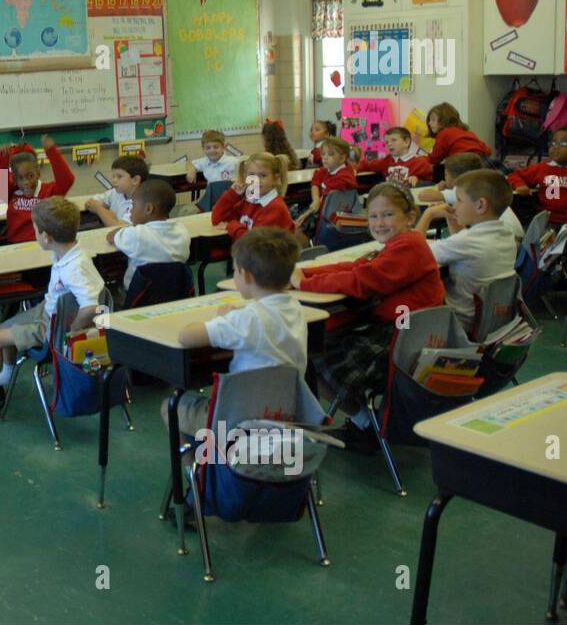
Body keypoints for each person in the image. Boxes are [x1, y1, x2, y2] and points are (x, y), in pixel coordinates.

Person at [294, 181, 445, 450]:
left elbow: (363, 281)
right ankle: (367, 422)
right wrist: (305, 272)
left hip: (398, 345)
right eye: (373, 216)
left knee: (310, 355)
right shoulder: (403, 243)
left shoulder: (408, 246)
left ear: (410, 217)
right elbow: (357, 266)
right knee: (323, 340)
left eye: (388, 215)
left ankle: (365, 424)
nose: (379, 222)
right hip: (406, 337)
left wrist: (304, 284)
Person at [0, 196, 103, 418]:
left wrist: (71, 331)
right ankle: (4, 376)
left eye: (35, 230)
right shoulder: (70, 251)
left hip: (54, 327)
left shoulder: (74, 268)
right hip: (48, 310)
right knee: (0, 329)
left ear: (46, 237)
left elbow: (91, 307)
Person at [170, 227, 307, 434]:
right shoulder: (295, 309)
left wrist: (221, 318)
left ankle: (198, 466)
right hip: (286, 413)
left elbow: (186, 336)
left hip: (242, 420)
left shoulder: (245, 320)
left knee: (171, 408)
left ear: (246, 275)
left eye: (234, 270)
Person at [415, 169, 518, 334]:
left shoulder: (467, 242)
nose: (454, 206)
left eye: (459, 200)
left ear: (480, 205)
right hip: (488, 320)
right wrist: (452, 218)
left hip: (458, 321)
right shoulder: (505, 234)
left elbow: (412, 252)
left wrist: (428, 215)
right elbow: (464, 240)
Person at [105, 178, 189, 296]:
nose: (130, 211)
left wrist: (129, 227)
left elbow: (110, 236)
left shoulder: (135, 234)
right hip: (175, 294)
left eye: (133, 205)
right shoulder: (182, 231)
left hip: (138, 296)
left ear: (149, 209)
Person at [507, 125, 567, 225]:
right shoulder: (542, 167)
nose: (555, 148)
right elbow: (514, 175)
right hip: (545, 220)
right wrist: (519, 184)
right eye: (552, 143)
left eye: (563, 144)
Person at [417, 152, 525, 241]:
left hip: (502, 239)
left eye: (446, 175)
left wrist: (429, 214)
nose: (455, 205)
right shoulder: (483, 187)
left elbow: (415, 249)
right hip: (511, 241)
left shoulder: (466, 191)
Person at [0, 134, 75, 242]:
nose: (26, 182)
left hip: (44, 246)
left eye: (30, 176)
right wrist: (2, 158)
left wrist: (51, 151)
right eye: (20, 178)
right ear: (14, 178)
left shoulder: (49, 191)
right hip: (16, 247)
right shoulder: (11, 192)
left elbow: (67, 180)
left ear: (38, 172)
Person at [211, 152, 295, 240]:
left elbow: (254, 241)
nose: (256, 180)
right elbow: (217, 220)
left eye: (263, 175)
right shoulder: (251, 200)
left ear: (275, 178)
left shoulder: (275, 207)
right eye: (251, 175)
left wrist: (231, 226)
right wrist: (232, 195)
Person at [295, 136, 359, 238]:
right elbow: (316, 181)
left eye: (330, 154)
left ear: (342, 158)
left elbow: (325, 197)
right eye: (323, 154)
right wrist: (316, 199)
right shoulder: (328, 170)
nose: (325, 157)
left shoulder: (344, 177)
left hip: (333, 220)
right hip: (324, 213)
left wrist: (306, 214)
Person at [86, 154, 147, 226]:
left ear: (135, 180)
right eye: (113, 176)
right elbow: (90, 203)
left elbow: (118, 228)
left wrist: (99, 209)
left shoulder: (141, 204)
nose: (114, 180)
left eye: (119, 176)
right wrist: (109, 215)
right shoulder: (117, 192)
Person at [356, 126, 432, 185]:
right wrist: (353, 168)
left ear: (407, 142)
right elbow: (367, 165)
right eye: (386, 142)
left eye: (393, 140)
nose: (389, 144)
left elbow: (429, 184)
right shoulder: (386, 161)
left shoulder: (420, 162)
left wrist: (417, 180)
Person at [425, 102, 491, 166]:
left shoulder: (444, 134)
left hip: (464, 167)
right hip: (482, 163)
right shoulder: (467, 133)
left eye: (433, 120)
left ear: (444, 120)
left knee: (432, 171)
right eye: (429, 120)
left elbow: (433, 160)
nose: (429, 123)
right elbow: (488, 150)